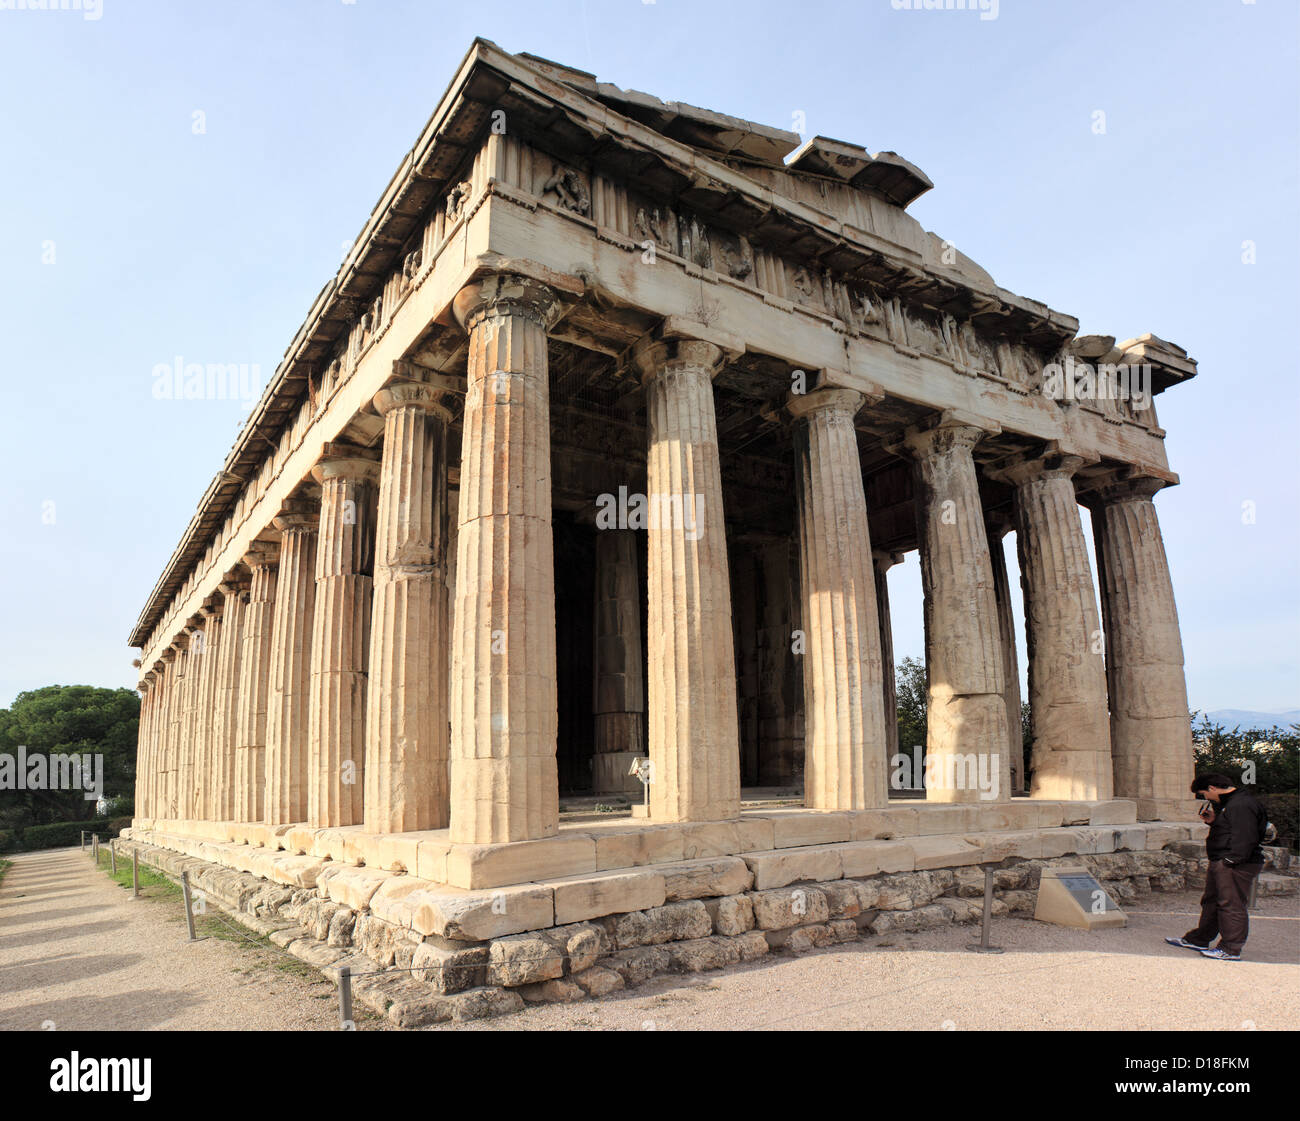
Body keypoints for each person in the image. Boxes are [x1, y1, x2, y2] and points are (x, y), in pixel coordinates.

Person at [1164, 773, 1269, 961]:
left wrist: (1231, 861)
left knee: (1231, 904)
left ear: (1212, 788)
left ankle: (1230, 949)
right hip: (1223, 860)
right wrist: (1214, 820)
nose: (1205, 798)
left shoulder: (1241, 804)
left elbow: (1246, 836)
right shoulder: (1231, 803)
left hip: (1236, 863)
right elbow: (1230, 829)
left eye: (1203, 793)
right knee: (1211, 901)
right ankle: (1199, 939)